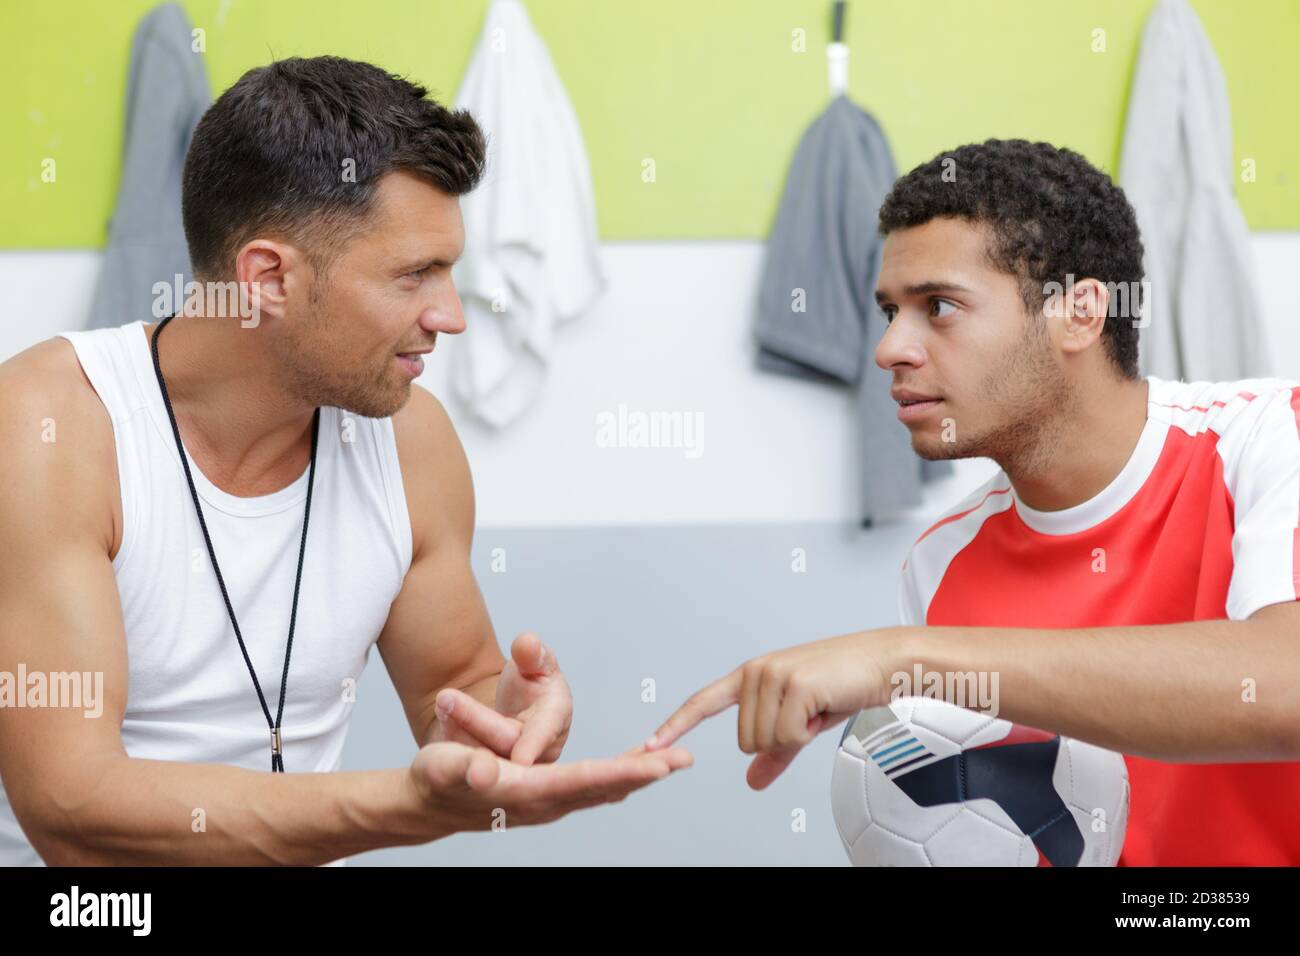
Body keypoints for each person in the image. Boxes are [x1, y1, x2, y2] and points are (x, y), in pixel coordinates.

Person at [0, 55, 689, 867]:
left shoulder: (413, 441)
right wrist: (401, 807)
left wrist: (502, 725)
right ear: (268, 278)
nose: (452, 316)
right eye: (415, 275)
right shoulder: (50, 426)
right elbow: (71, 807)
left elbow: (455, 690)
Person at [646, 140, 1300, 866]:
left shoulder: (1272, 436)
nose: (889, 349)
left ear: (1080, 313)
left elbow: (1284, 688)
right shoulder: (942, 562)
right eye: (890, 311)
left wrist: (901, 659)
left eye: (939, 306)